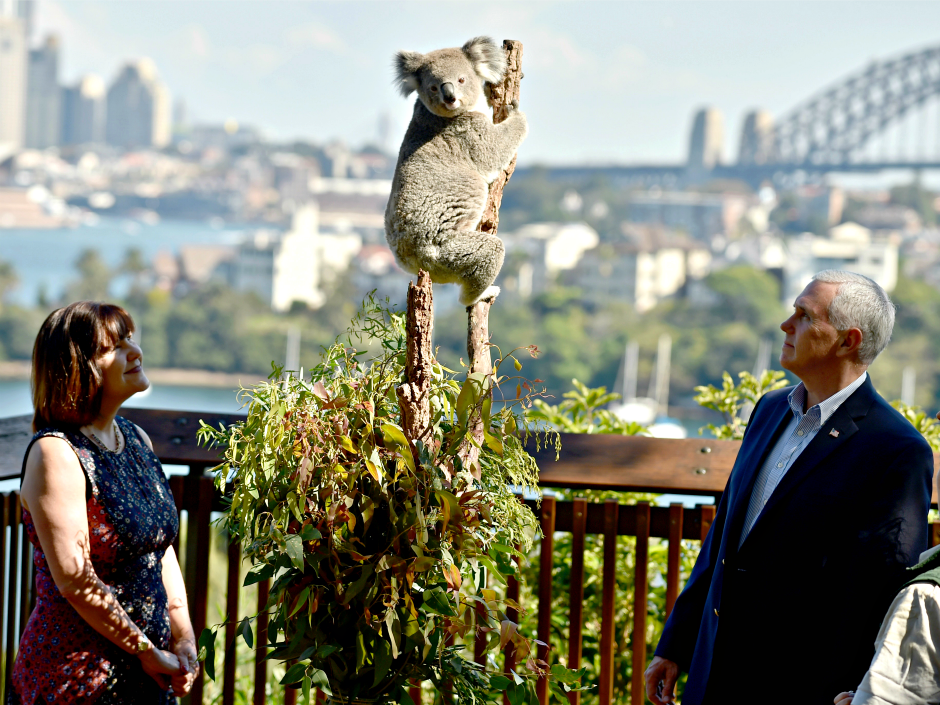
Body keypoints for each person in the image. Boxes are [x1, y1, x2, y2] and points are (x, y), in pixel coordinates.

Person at [644, 270, 934, 705]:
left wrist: (856, 689)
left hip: (801, 683)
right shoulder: (767, 409)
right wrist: (675, 644)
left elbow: (880, 589)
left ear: (848, 341)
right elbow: (723, 537)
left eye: (804, 316)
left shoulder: (897, 449)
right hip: (713, 669)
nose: (786, 325)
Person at [10, 301, 199, 704]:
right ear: (76, 368)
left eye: (130, 339)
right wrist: (145, 650)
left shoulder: (136, 439)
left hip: (149, 666)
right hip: (78, 674)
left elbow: (160, 548)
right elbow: (75, 581)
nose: (135, 351)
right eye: (113, 347)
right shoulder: (55, 453)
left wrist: (183, 637)